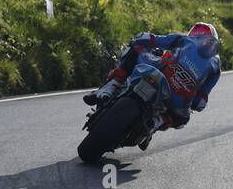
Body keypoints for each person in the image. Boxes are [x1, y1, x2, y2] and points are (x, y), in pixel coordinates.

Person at [83, 23, 222, 136]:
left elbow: (153, 40)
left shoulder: (184, 40)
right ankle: (158, 121)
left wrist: (138, 39)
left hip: (157, 73)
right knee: (183, 118)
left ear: (193, 34)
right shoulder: (215, 67)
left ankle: (112, 85)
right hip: (177, 101)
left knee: (136, 49)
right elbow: (200, 102)